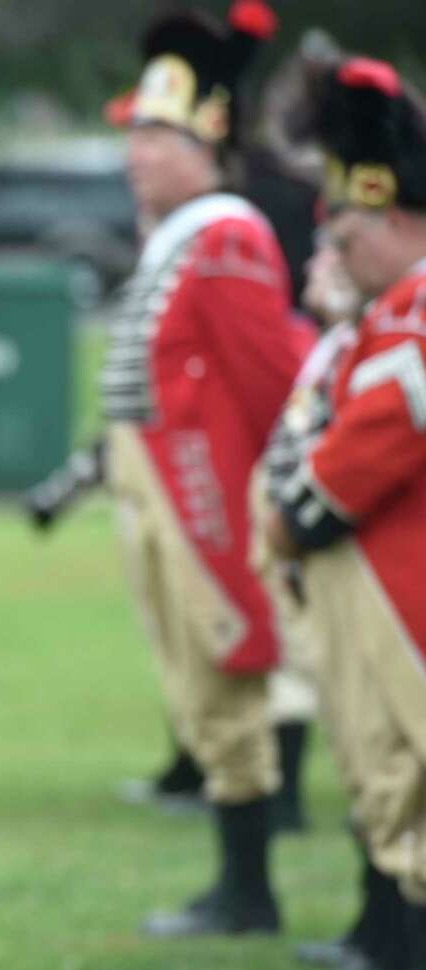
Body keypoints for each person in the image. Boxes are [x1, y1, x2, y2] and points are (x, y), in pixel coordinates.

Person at [100, 0, 305, 937]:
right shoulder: (184, 237)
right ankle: (237, 885)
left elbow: (268, 384)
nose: (136, 154)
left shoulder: (224, 235)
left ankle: (248, 891)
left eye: (154, 136)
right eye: (136, 135)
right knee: (197, 688)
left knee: (228, 690)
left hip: (204, 492)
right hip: (159, 488)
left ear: (203, 145)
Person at [266, 57, 426, 970]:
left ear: (400, 214)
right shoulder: (387, 311)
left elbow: (372, 438)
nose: (339, 243)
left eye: (353, 224)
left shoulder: (413, 314)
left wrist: (298, 514)